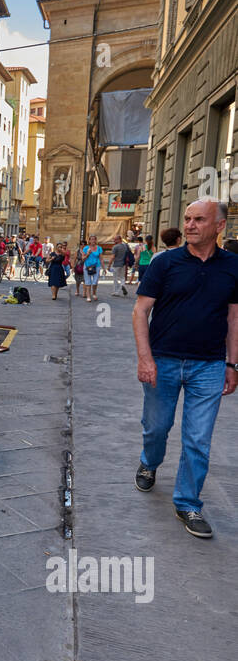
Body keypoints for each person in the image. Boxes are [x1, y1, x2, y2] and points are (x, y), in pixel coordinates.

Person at [132, 199, 238, 538]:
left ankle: (188, 503)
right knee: (157, 427)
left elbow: (234, 318)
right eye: (187, 219)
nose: (190, 225)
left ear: (219, 226)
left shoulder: (233, 266)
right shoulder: (165, 263)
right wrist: (145, 358)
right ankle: (150, 462)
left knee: (198, 439)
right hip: (162, 360)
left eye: (199, 220)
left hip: (208, 365)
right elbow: (139, 311)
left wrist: (232, 363)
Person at [81, 236, 103, 301]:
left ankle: (94, 293)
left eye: (94, 239)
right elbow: (83, 259)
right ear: (89, 241)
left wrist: (104, 268)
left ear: (96, 240)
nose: (93, 241)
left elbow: (101, 258)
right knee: (88, 282)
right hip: (87, 266)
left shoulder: (99, 248)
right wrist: (87, 254)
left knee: (95, 282)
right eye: (91, 239)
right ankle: (88, 296)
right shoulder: (86, 248)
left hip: (97, 266)